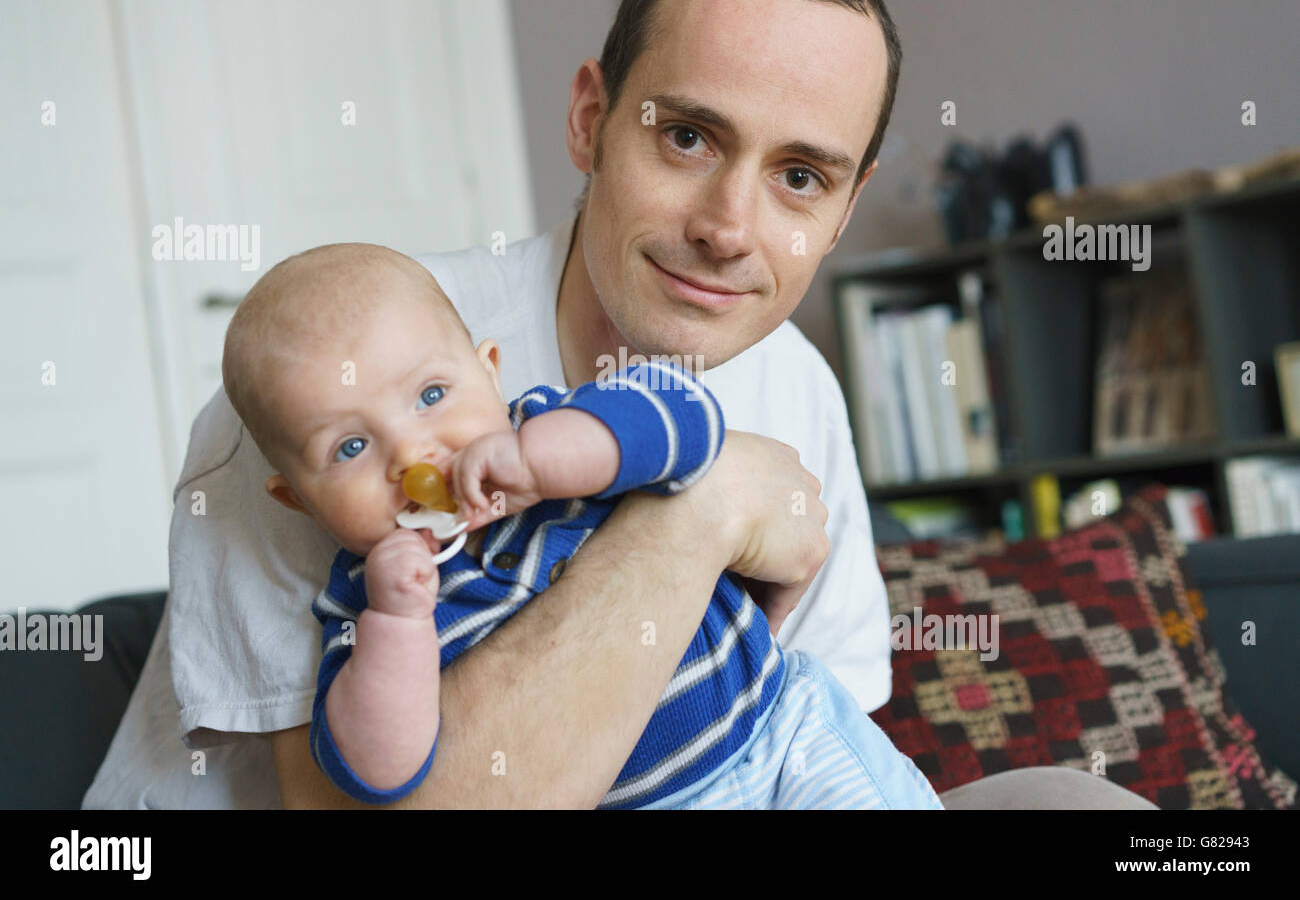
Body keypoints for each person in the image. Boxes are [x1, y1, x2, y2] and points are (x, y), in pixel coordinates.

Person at [84, 0, 1155, 809]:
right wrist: (707, 509)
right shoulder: (328, 399)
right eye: (686, 136)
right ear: (592, 119)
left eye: (798, 177)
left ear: (842, 207)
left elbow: (808, 734)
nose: (727, 230)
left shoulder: (797, 388)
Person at [218, 244, 943, 809]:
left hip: (785, 733)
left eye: (432, 395)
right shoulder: (363, 606)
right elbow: (379, 774)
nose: (411, 453)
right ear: (300, 501)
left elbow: (685, 416)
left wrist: (546, 459)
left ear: (490, 374)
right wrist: (399, 622)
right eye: (350, 447)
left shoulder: (555, 431)